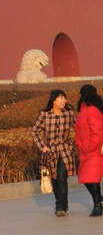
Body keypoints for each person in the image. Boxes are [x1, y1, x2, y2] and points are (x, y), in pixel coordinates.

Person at [32, 89, 77, 217]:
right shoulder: (44, 115)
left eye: (64, 98)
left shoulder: (69, 114)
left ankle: (61, 206)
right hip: (50, 152)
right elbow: (35, 131)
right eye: (61, 98)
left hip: (65, 150)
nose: (63, 101)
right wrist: (43, 146)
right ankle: (62, 202)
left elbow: (78, 128)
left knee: (62, 177)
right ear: (54, 100)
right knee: (55, 178)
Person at [75, 84, 103, 217]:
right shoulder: (84, 111)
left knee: (92, 178)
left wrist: (90, 147)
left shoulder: (91, 110)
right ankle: (100, 200)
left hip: (94, 151)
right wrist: (80, 145)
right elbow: (78, 132)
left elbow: (97, 132)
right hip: (86, 151)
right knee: (86, 178)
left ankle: (98, 205)